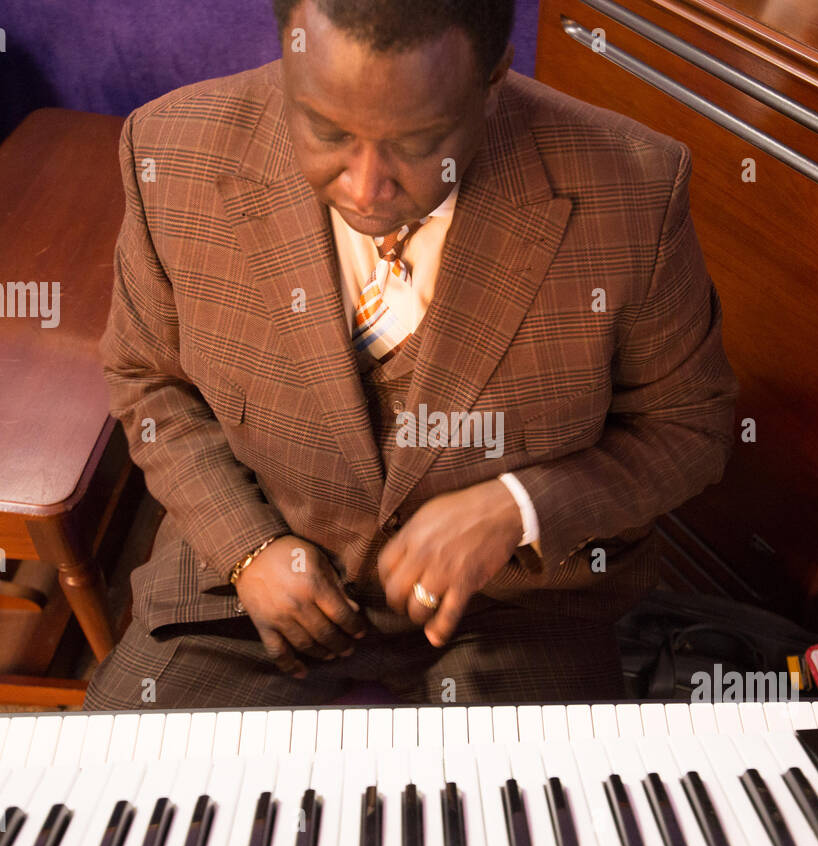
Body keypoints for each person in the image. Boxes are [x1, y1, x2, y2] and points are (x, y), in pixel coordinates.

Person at [84, 0, 737, 710]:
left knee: (523, 821)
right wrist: (247, 547)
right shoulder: (169, 152)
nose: (365, 189)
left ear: (493, 81)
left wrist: (518, 508)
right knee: (126, 797)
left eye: (421, 143)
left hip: (519, 610)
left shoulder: (636, 189)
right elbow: (148, 380)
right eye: (327, 131)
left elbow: (689, 429)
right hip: (241, 593)